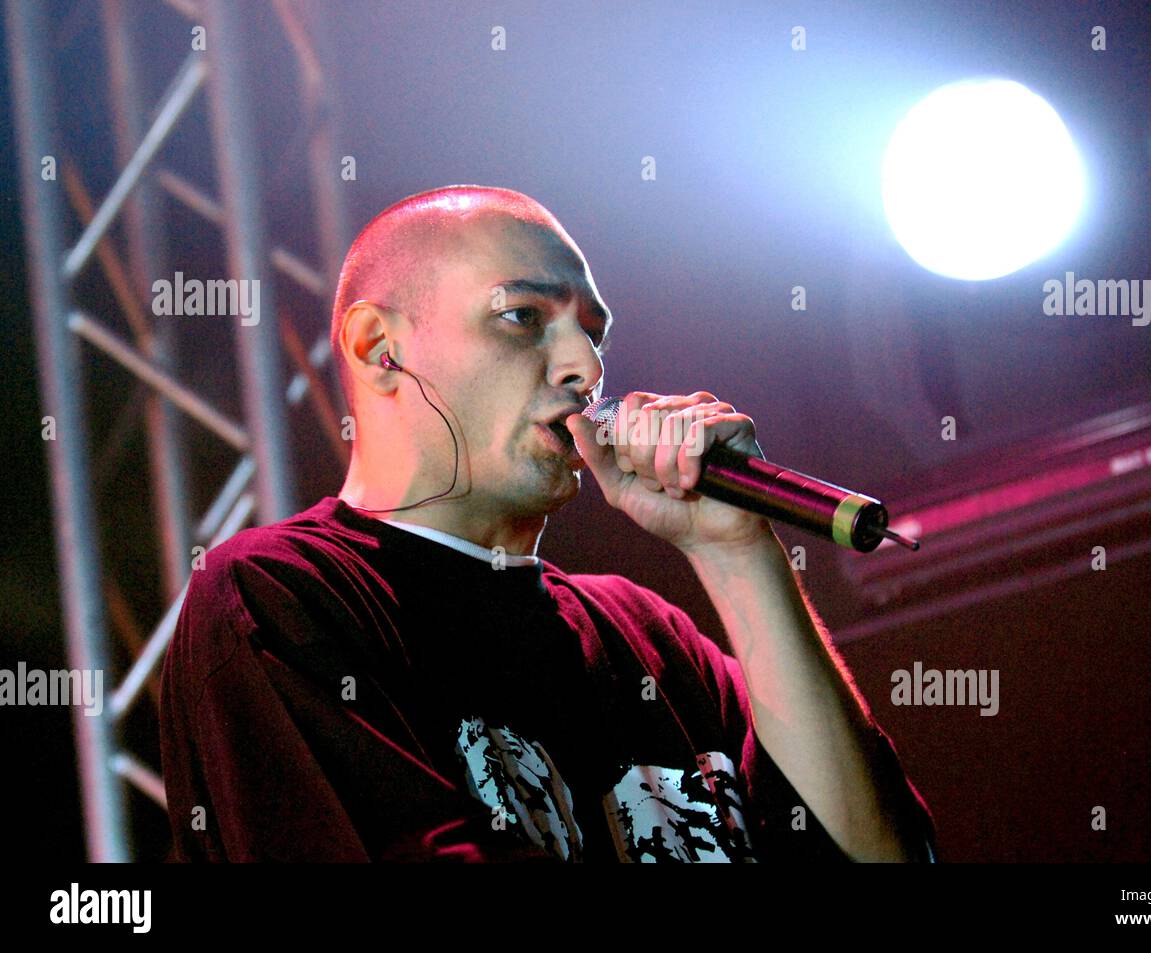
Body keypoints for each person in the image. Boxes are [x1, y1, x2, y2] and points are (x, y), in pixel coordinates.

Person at [158, 185, 937, 862]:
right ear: (380, 348)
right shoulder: (282, 594)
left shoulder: (650, 638)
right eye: (523, 316)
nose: (587, 368)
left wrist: (740, 556)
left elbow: (883, 855)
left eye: (592, 331)